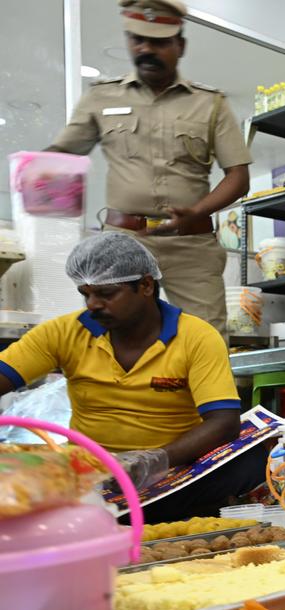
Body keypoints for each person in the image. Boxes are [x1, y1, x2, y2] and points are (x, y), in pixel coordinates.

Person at [0, 233, 248, 522]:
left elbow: (224, 422)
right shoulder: (62, 333)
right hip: (93, 472)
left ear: (145, 285)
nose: (92, 304)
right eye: (86, 294)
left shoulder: (196, 336)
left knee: (248, 463)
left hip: (174, 470)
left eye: (106, 294)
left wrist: (154, 460)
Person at [47, 0, 252, 341]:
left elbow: (238, 177)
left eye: (158, 42)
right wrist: (36, 171)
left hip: (191, 243)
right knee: (109, 340)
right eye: (137, 39)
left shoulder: (210, 104)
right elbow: (61, 154)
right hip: (123, 241)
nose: (146, 49)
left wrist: (197, 211)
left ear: (180, 46)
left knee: (206, 341)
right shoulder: (102, 97)